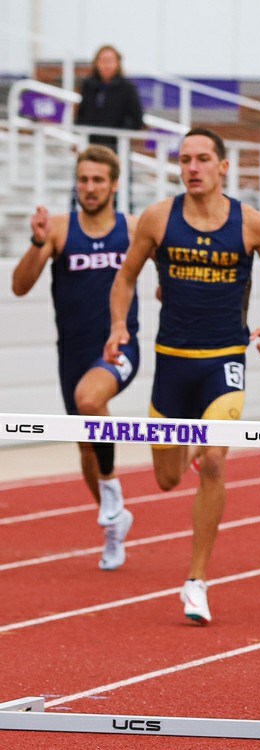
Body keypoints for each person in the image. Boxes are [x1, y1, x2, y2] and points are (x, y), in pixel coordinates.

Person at [105, 128, 260, 625]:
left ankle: (195, 582)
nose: (192, 167)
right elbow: (125, 276)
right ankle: (189, 451)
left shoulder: (251, 225)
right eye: (185, 159)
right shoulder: (157, 218)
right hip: (172, 362)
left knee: (213, 460)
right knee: (167, 479)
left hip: (225, 361)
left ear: (223, 167)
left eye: (203, 159)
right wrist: (119, 327)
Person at [11, 145, 139, 571]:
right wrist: (36, 241)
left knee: (89, 400)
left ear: (114, 185)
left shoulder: (133, 228)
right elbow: (20, 285)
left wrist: (167, 290)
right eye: (83, 180)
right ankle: (114, 525)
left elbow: (168, 267)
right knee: (86, 443)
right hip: (73, 352)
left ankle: (113, 494)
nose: (90, 187)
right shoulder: (60, 229)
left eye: (98, 180)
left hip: (119, 346)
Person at [75, 45, 144, 152]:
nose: (106, 65)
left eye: (110, 61)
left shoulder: (127, 88)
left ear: (118, 63)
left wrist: (119, 133)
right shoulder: (88, 86)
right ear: (96, 63)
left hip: (117, 146)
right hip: (91, 145)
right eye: (102, 60)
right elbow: (81, 114)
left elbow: (136, 118)